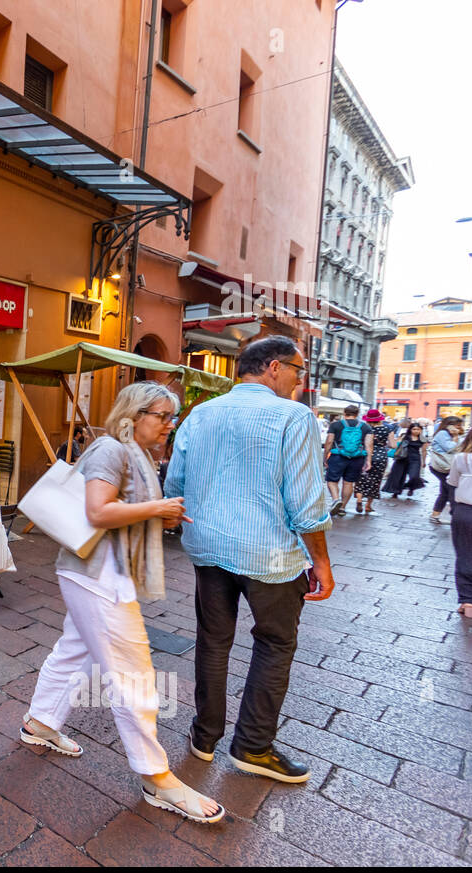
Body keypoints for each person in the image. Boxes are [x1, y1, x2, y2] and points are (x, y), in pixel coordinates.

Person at [22, 382, 223, 824]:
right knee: (133, 674)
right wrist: (156, 509)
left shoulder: (131, 452)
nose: (170, 424)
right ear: (135, 414)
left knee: (74, 652)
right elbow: (98, 511)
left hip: (95, 571)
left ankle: (40, 722)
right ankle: (157, 777)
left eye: (173, 417)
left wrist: (160, 510)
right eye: (163, 415)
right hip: (97, 576)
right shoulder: (112, 449)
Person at [165, 336, 333, 785]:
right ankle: (253, 747)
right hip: (269, 553)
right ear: (274, 367)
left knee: (213, 639)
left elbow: (174, 484)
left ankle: (204, 739)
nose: (300, 381)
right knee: (275, 643)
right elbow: (306, 502)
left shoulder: (200, 414)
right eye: (299, 370)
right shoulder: (294, 417)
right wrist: (321, 561)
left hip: (208, 547)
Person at [447, 423, 472, 618]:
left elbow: (452, 483)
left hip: (465, 512)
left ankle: (468, 601)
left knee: (465, 554)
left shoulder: (461, 459)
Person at [323, 404, 373, 516]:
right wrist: (368, 461)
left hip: (337, 456)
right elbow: (369, 445)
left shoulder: (336, 425)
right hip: (357, 458)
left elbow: (329, 441)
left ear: (344, 413)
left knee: (332, 480)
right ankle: (342, 508)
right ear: (357, 414)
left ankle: (336, 500)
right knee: (348, 483)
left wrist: (325, 456)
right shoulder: (365, 427)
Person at [353, 409, 396, 514]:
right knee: (376, 480)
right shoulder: (388, 429)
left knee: (361, 478)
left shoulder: (364, 428)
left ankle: (359, 500)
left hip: (364, 454)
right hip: (381, 456)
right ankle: (368, 505)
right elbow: (393, 445)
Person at [428, 416, 464, 522]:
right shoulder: (442, 433)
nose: (459, 427)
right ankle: (456, 517)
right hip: (441, 466)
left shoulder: (449, 434)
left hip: (447, 466)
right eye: (458, 425)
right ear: (450, 425)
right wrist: (455, 437)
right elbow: (450, 448)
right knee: (451, 490)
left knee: (445, 491)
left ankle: (435, 515)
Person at [382, 422, 427, 498]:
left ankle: (411, 488)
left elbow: (424, 451)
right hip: (402, 458)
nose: (416, 431)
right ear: (410, 429)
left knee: (414, 476)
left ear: (421, 430)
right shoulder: (405, 437)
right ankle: (395, 491)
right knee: (397, 476)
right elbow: (396, 444)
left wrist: (424, 461)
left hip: (415, 459)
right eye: (414, 429)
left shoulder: (423, 439)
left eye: (418, 429)